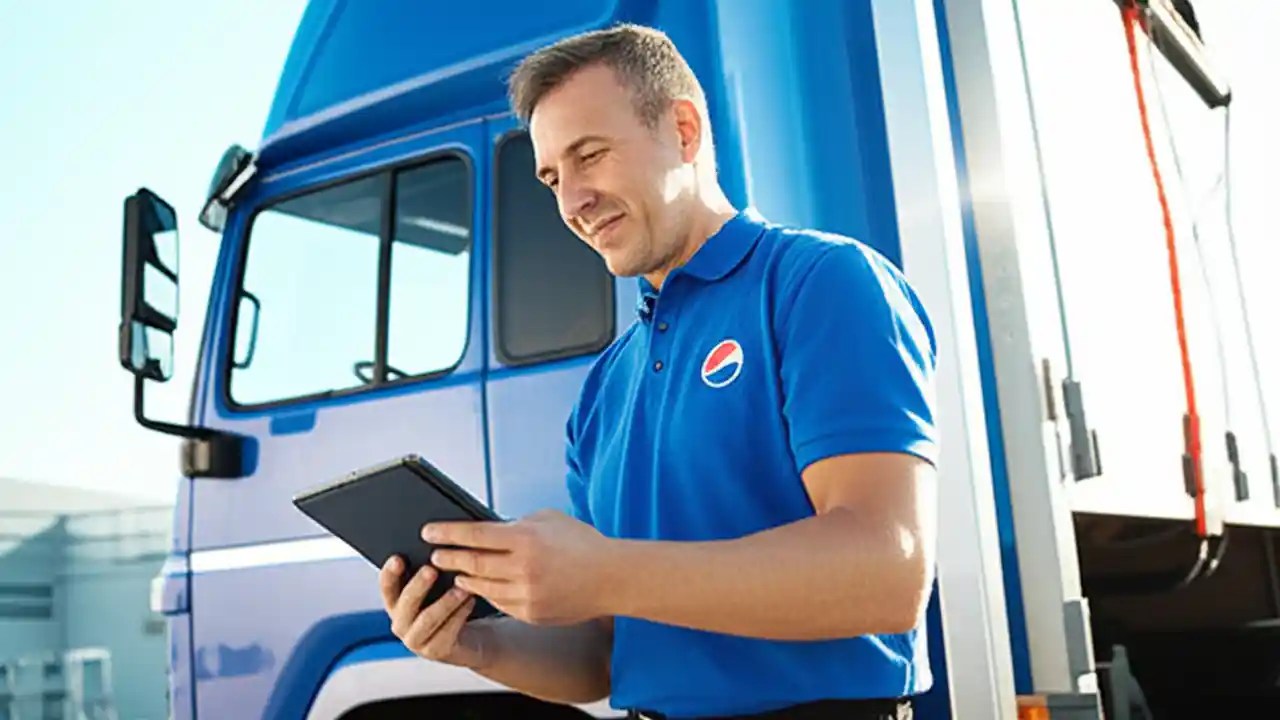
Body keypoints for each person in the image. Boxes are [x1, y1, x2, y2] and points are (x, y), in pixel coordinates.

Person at [379, 22, 938, 720]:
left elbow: (887, 571)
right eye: (552, 178)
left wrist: (603, 571)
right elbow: (603, 655)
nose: (571, 202)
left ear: (683, 130)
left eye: (590, 155)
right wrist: (474, 645)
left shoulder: (820, 282)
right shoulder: (605, 387)